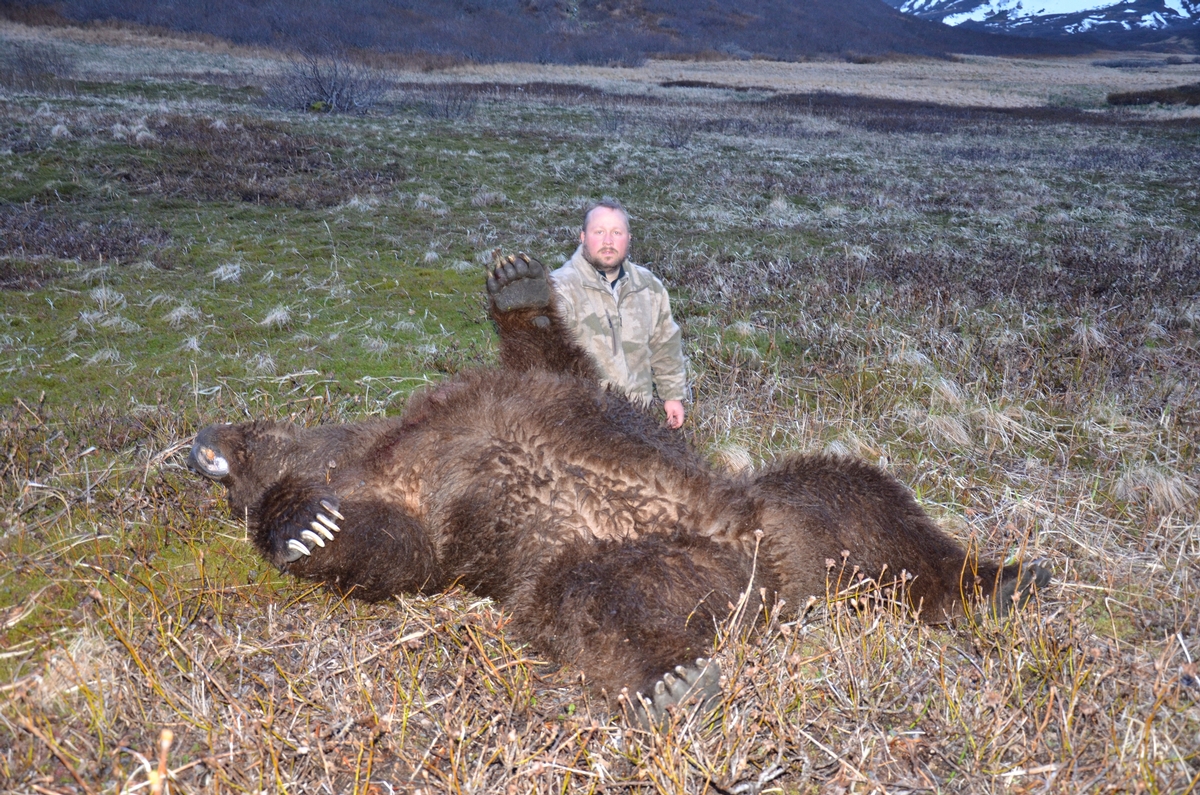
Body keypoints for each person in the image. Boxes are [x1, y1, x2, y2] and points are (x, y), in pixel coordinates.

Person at [550, 199, 687, 428]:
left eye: (616, 232)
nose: (608, 241)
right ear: (582, 237)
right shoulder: (559, 288)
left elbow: (665, 343)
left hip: (638, 416)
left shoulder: (648, 286)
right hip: (580, 419)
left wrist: (672, 396)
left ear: (629, 238)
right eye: (599, 232)